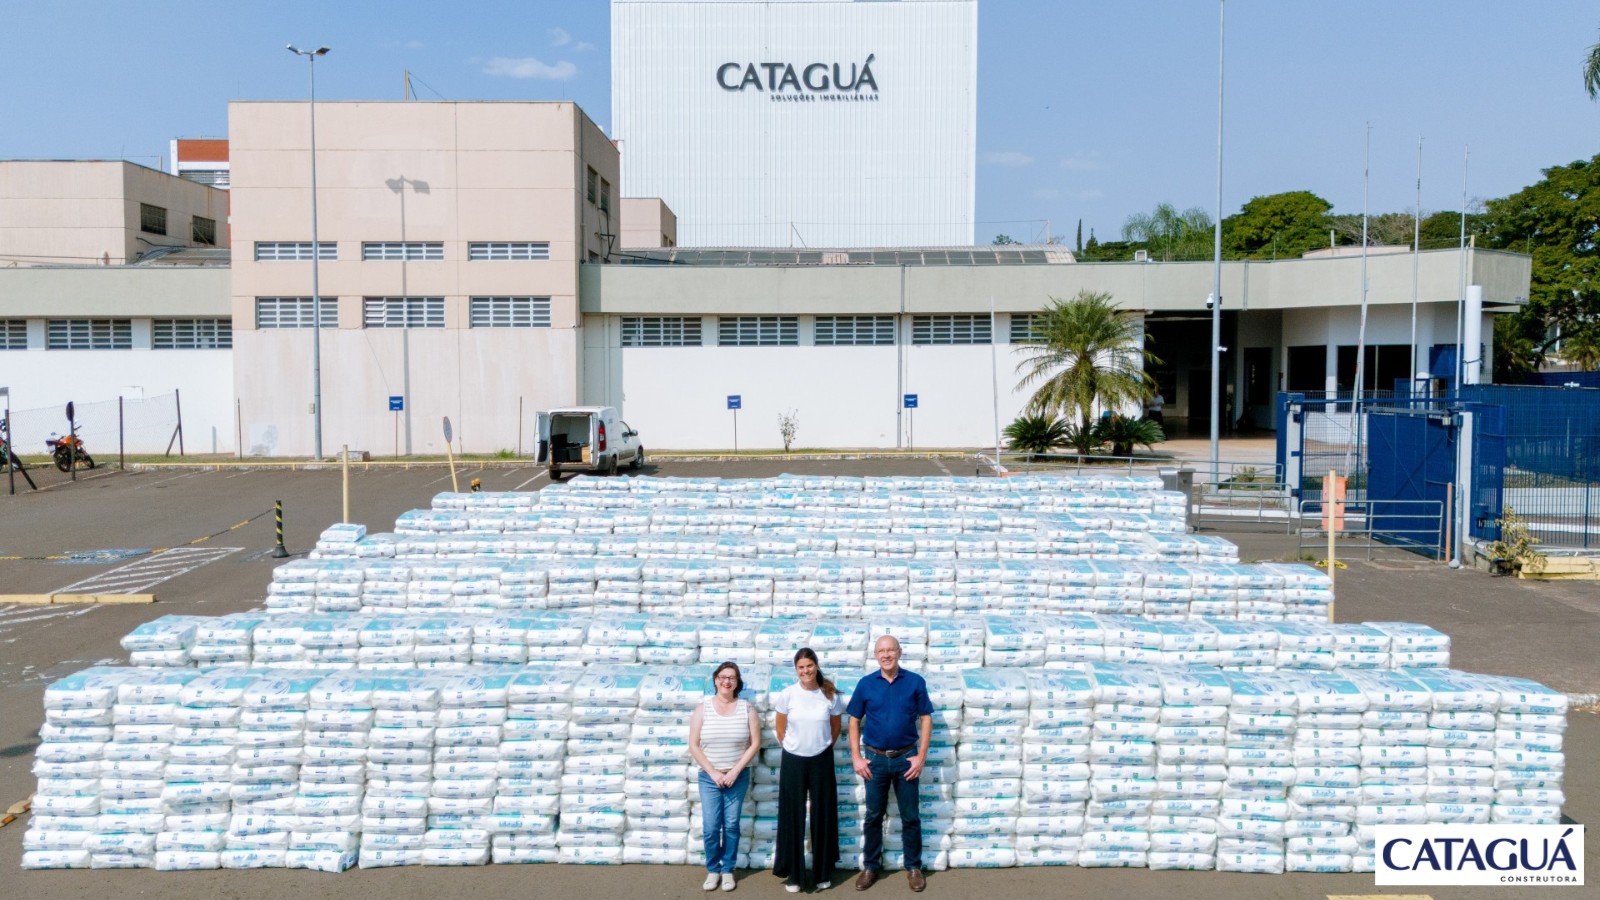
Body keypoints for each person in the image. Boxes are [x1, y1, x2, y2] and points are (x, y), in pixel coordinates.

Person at [847, 635, 933, 893]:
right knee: (873, 816)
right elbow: (853, 721)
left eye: (891, 650)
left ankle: (914, 868)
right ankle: (871, 867)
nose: (886, 655)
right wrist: (856, 757)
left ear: (899, 652)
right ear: (875, 655)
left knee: (910, 816)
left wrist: (922, 756)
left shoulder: (915, 682)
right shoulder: (865, 684)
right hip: (875, 761)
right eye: (881, 651)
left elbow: (926, 719)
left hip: (906, 760)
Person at [773, 647, 846, 893]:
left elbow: (835, 728)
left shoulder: (830, 695)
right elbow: (780, 729)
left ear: (816, 665)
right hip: (793, 759)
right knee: (792, 814)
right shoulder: (788, 695)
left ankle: (822, 872)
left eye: (809, 665)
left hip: (821, 760)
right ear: (796, 670)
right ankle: (794, 874)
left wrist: (822, 747)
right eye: (801, 667)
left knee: (822, 814)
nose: (805, 670)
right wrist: (795, 747)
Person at [689, 661, 761, 892]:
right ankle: (713, 869)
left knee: (731, 825)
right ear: (715, 680)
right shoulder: (703, 708)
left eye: (731, 677)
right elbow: (693, 745)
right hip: (709, 777)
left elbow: (755, 743)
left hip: (736, 776)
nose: (726, 681)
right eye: (722, 677)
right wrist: (713, 772)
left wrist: (734, 771)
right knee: (711, 826)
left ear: (737, 682)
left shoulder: (747, 708)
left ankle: (728, 869)